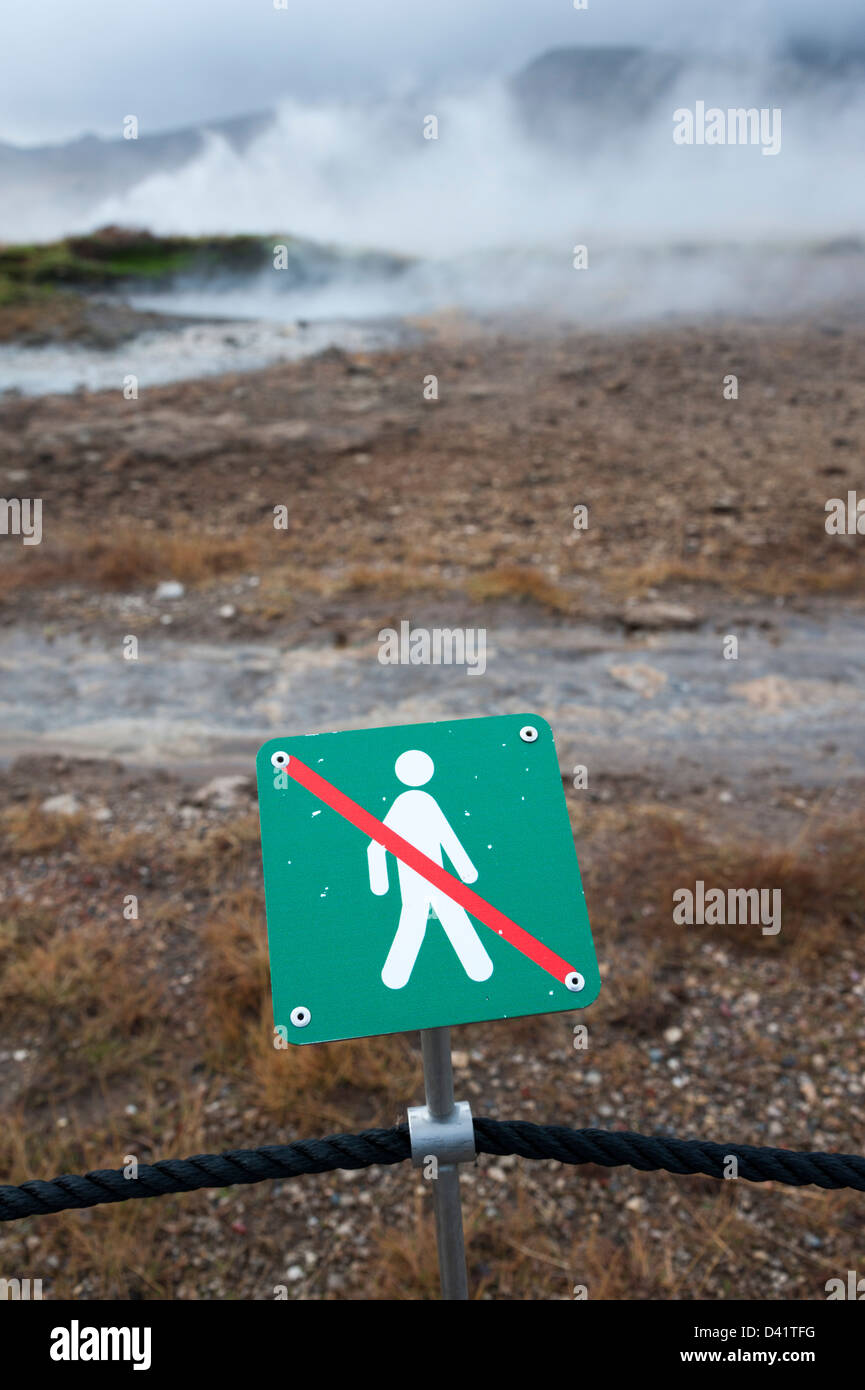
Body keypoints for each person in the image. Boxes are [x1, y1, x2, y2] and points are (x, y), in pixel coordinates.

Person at [367, 749, 494, 990]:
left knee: (431, 915)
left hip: (430, 877)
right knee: (425, 916)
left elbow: (445, 836)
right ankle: (396, 976)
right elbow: (377, 845)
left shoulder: (421, 802)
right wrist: (379, 883)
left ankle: (479, 968)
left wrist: (465, 868)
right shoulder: (408, 804)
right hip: (421, 877)